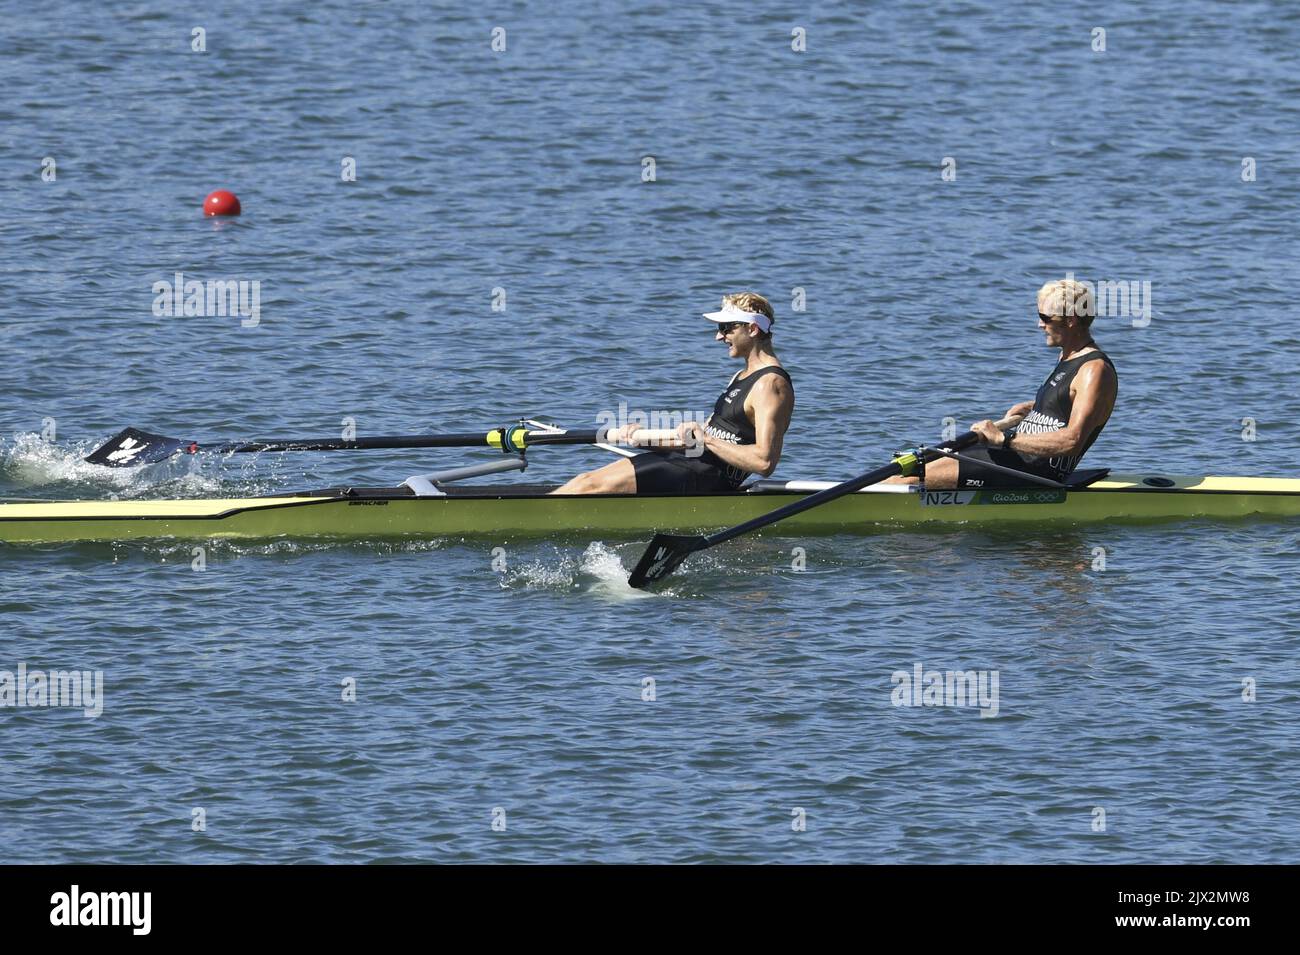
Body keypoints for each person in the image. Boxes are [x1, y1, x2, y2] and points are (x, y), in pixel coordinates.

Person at [553, 292, 794, 494]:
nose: (719, 336)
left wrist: (707, 439)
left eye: (726, 328)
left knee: (589, 485)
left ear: (752, 329)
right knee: (584, 480)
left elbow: (764, 461)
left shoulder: (771, 384)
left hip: (705, 475)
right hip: (691, 462)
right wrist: (644, 439)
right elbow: (696, 440)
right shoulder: (741, 377)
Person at [892, 278, 1118, 490]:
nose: (1040, 324)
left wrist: (1006, 439)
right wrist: (1035, 407)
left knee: (907, 481)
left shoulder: (1094, 370)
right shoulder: (1068, 356)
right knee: (911, 467)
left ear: (1070, 321)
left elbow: (1072, 440)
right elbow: (1070, 404)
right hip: (1014, 458)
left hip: (1034, 471)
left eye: (1046, 317)